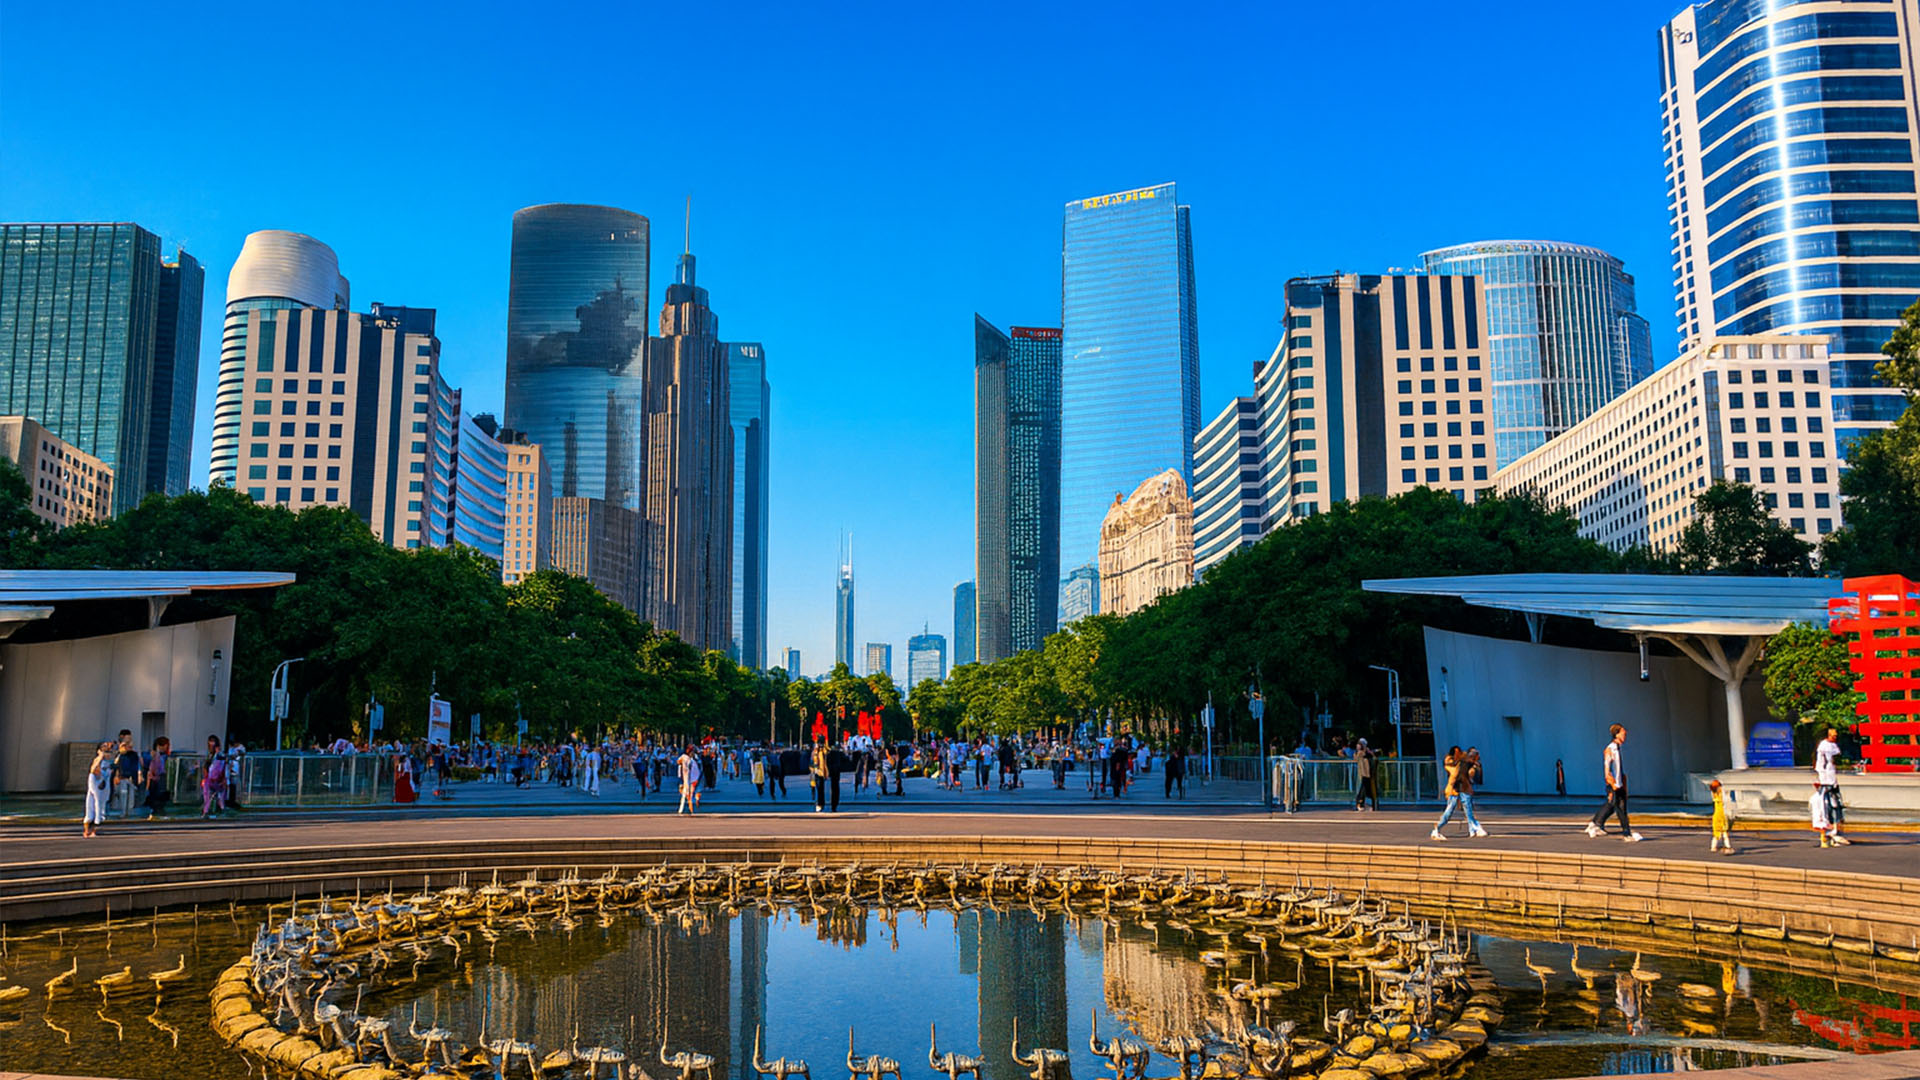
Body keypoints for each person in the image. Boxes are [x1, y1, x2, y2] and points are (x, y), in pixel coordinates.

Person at [1584, 724, 1642, 842]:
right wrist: (1612, 784)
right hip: (1614, 785)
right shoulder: (1610, 749)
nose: (1625, 736)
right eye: (1623, 733)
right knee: (1619, 809)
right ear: (1617, 734)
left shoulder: (1617, 748)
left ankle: (1596, 824)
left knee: (1614, 807)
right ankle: (1626, 834)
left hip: (1619, 784)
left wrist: (1623, 784)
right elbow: (1607, 768)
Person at [1430, 746, 1487, 840]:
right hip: (1454, 789)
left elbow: (1467, 774)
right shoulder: (1452, 762)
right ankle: (1437, 829)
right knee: (1449, 811)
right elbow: (1455, 774)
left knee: (1468, 809)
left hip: (1462, 788)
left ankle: (1473, 829)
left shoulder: (1463, 762)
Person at [1814, 727, 1850, 845]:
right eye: (1833, 735)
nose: (1835, 737)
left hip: (1832, 778)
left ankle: (1835, 829)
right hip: (1826, 779)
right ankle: (1827, 832)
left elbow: (1836, 759)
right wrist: (1823, 780)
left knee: (1836, 804)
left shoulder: (1833, 746)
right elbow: (1822, 764)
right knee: (1826, 805)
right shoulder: (1823, 746)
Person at [83, 741, 112, 837]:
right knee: (94, 803)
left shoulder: (108, 762)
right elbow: (93, 770)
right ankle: (90, 828)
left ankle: (93, 828)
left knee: (100, 803)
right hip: (95, 781)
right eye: (103, 746)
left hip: (103, 784)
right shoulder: (97, 760)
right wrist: (100, 756)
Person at [111, 730, 142, 818]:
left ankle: (128, 812)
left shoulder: (133, 755)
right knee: (122, 795)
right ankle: (123, 812)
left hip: (130, 777)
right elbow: (115, 765)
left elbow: (136, 766)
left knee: (130, 796)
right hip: (122, 778)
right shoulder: (119, 755)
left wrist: (138, 776)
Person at [200, 735, 229, 817]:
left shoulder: (219, 755)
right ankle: (207, 810)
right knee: (209, 794)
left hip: (216, 779)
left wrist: (224, 779)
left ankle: (212, 810)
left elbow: (222, 767)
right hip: (211, 778)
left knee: (215, 794)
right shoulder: (210, 755)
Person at [143, 737, 172, 818]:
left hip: (161, 777)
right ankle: (155, 810)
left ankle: (159, 809)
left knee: (162, 794)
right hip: (155, 778)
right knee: (156, 794)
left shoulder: (166, 756)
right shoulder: (153, 755)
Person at [1708, 778, 1736, 855]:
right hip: (1722, 814)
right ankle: (1727, 846)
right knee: (1724, 832)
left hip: (1717, 815)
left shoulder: (1714, 794)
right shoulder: (1721, 794)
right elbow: (1727, 799)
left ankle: (1713, 847)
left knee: (1717, 832)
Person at [1354, 738, 1378, 811]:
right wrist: (1366, 750)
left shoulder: (1365, 752)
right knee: (1363, 788)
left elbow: (1372, 756)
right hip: (1363, 772)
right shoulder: (1360, 753)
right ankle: (1360, 803)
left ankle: (1365, 803)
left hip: (1367, 773)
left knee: (1366, 788)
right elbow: (1359, 757)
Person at [1810, 781, 1833, 847]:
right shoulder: (1818, 797)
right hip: (1820, 814)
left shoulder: (1816, 797)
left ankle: (1824, 841)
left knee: (1823, 827)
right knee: (1823, 827)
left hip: (1819, 814)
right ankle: (1824, 842)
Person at [677, 746, 699, 815]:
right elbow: (678, 761)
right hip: (686, 778)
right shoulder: (685, 757)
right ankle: (687, 808)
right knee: (687, 794)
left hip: (688, 778)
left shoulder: (691, 759)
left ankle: (685, 809)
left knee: (687, 794)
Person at [810, 740, 830, 812]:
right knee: (818, 789)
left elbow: (828, 751)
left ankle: (820, 803)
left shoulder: (823, 752)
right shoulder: (814, 753)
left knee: (821, 789)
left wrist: (824, 746)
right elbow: (811, 764)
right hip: (815, 772)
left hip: (822, 773)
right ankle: (819, 803)